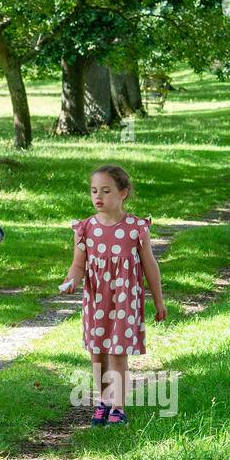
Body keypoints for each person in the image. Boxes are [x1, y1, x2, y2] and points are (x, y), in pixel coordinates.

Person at [59, 165, 167, 425]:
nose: (98, 196)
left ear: (123, 194)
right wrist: (71, 280)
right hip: (96, 300)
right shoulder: (84, 229)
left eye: (106, 191)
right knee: (97, 352)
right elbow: (78, 264)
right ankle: (103, 400)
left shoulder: (136, 228)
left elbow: (150, 265)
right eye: (94, 191)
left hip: (125, 299)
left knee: (117, 351)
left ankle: (118, 406)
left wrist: (159, 299)